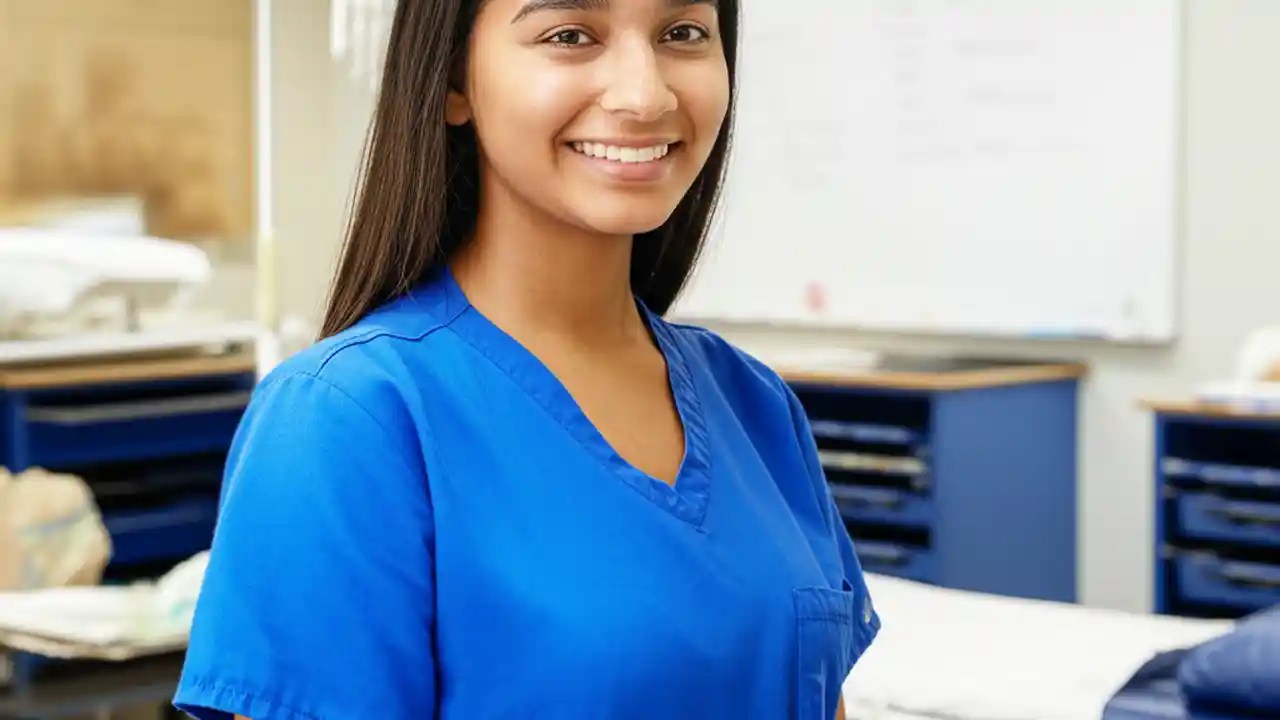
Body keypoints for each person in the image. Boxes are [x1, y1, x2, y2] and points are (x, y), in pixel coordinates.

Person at [173, 0, 879, 717]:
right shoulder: (347, 416)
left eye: (683, 34)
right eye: (569, 35)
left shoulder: (752, 404)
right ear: (453, 82)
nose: (645, 93)